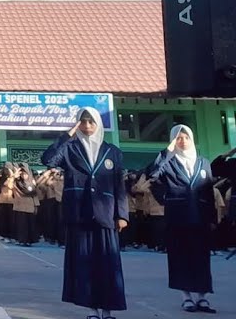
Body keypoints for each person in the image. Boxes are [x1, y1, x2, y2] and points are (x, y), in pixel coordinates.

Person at [42, 108, 128, 319]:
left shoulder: (112, 152)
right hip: (79, 214)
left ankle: (107, 311)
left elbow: (119, 185)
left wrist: (122, 214)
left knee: (108, 265)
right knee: (84, 264)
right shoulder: (70, 149)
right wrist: (67, 134)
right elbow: (48, 159)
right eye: (83, 122)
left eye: (91, 122)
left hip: (105, 214)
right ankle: (91, 310)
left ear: (98, 124)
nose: (87, 126)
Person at [147, 124, 216, 314]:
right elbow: (152, 174)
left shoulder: (203, 162)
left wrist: (212, 218)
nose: (182, 141)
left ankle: (202, 297)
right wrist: (167, 151)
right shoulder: (169, 162)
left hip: (200, 218)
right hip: (178, 218)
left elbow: (209, 192)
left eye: (185, 137)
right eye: (178, 138)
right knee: (180, 257)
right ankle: (186, 296)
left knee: (201, 258)